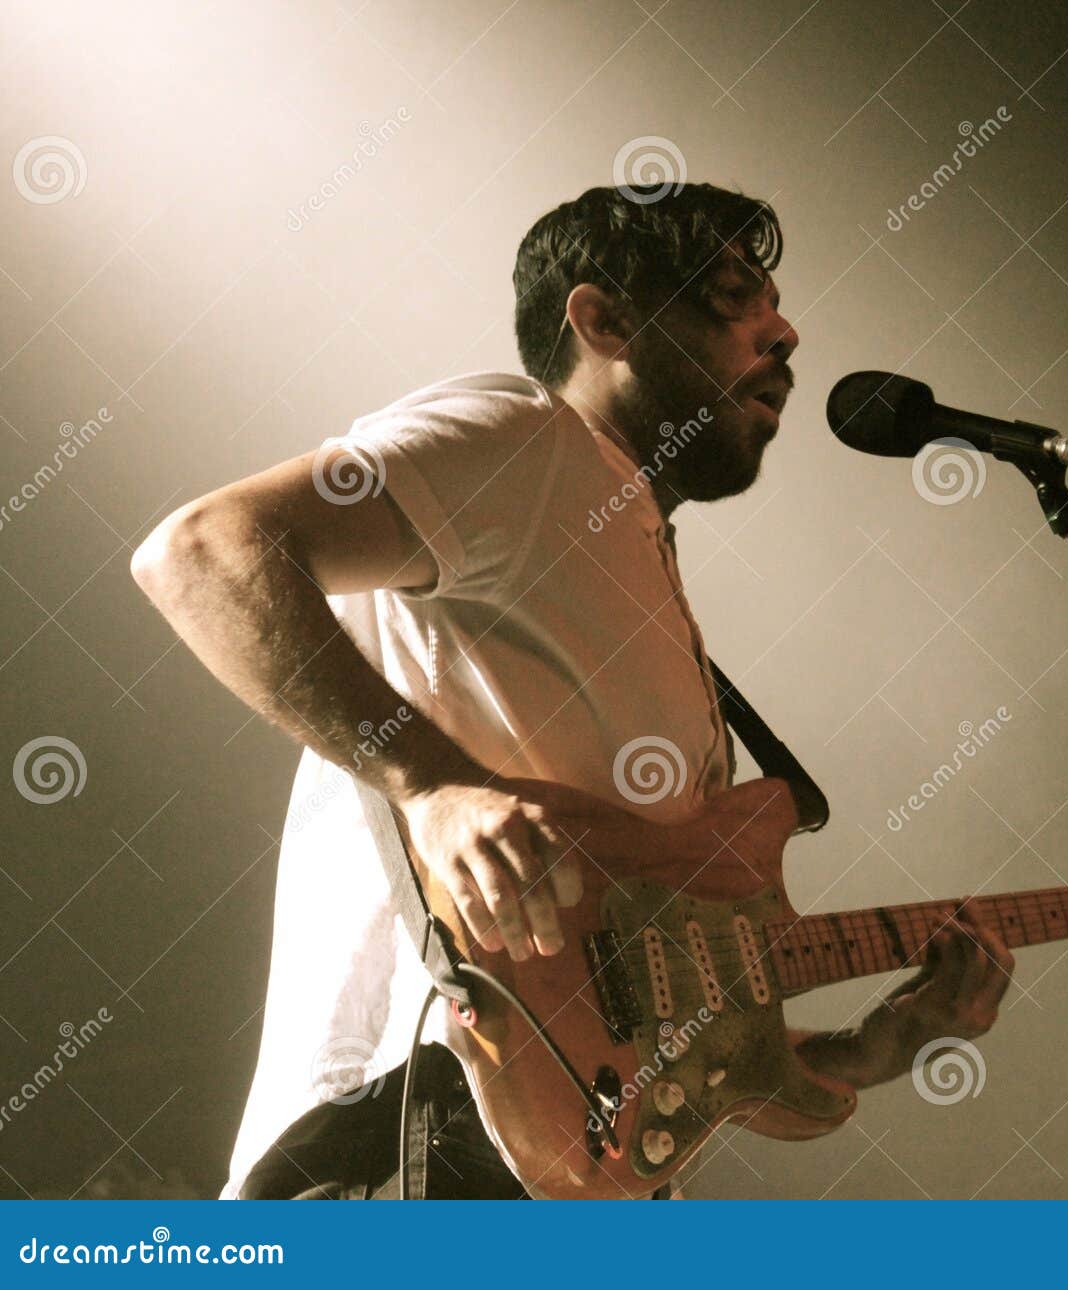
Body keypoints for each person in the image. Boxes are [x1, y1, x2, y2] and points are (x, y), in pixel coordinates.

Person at [130, 182, 1013, 1200]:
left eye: (776, 304)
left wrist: (874, 1047)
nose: (785, 332)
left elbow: (647, 1029)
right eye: (737, 297)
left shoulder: (630, 550)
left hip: (552, 1171)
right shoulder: (527, 438)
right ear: (604, 321)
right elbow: (202, 551)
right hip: (409, 1135)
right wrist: (430, 785)